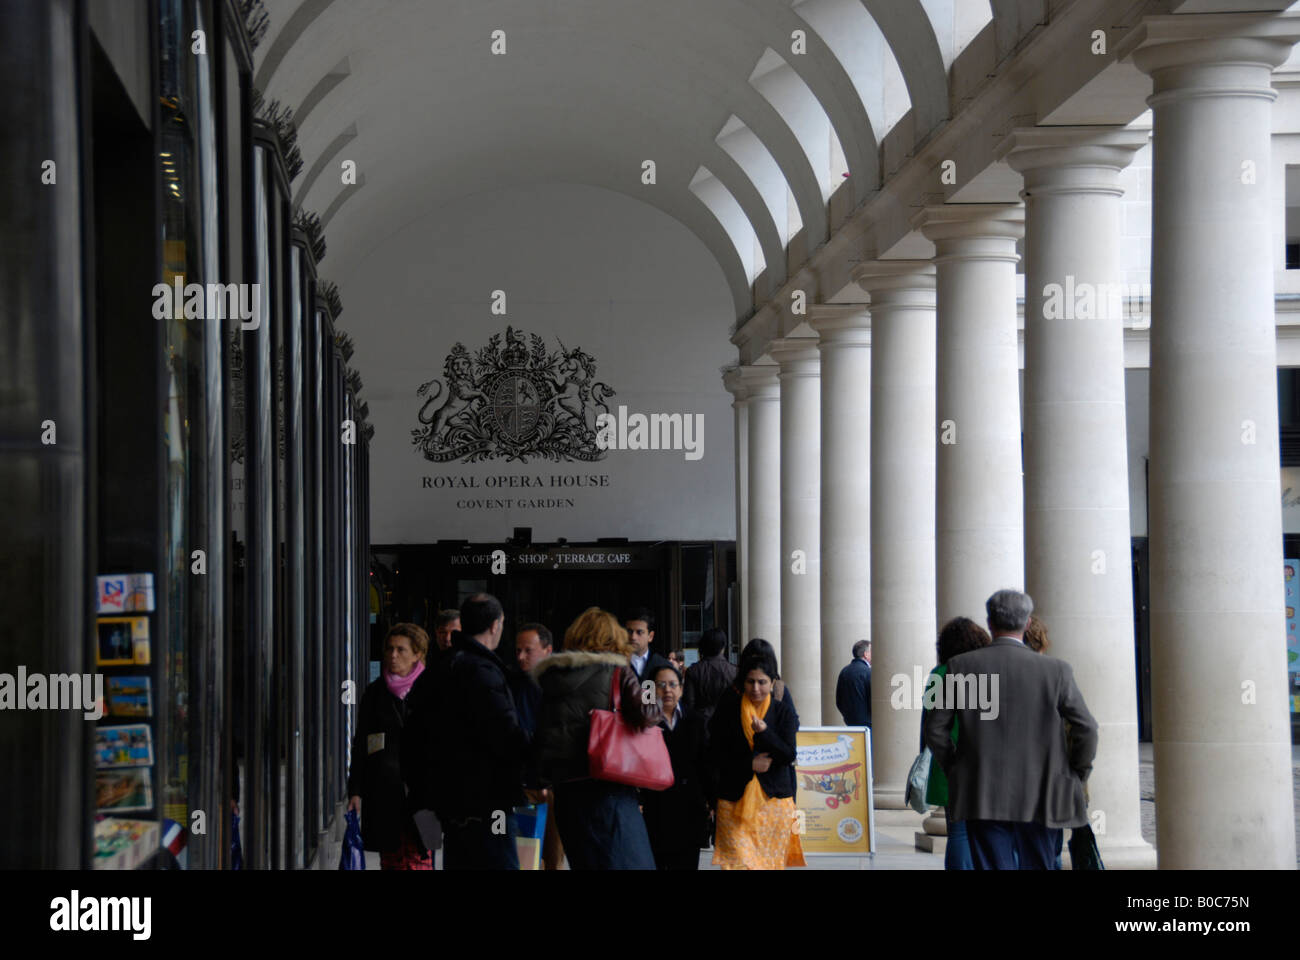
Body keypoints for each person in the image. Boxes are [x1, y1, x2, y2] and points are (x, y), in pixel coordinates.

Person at [923, 589, 1099, 870]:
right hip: (1042, 789)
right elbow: (1086, 728)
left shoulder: (961, 667)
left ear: (990, 622)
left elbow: (935, 729)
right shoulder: (1056, 670)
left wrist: (955, 766)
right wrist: (1078, 771)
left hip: (981, 788)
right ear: (1027, 622)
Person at [532, 607, 662, 869]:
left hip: (567, 794)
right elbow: (648, 714)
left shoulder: (552, 678)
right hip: (608, 789)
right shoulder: (617, 671)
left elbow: (543, 732)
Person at [427, 594, 527, 870]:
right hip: (487, 802)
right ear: (495, 625)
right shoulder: (484, 672)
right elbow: (506, 736)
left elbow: (416, 736)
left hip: (452, 803)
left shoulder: (440, 669)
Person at [346, 624, 436, 870]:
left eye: (401, 650)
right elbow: (361, 743)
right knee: (391, 858)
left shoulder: (433, 690)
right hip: (384, 793)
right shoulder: (375, 693)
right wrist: (355, 789)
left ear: (418, 654)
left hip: (426, 794)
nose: (393, 655)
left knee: (423, 855)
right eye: (389, 649)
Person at [708, 644, 805, 870]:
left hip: (774, 801)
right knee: (739, 865)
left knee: (770, 865)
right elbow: (715, 753)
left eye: (762, 682)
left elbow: (789, 754)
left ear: (772, 683)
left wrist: (765, 733)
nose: (756, 688)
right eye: (751, 682)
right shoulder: (729, 709)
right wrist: (748, 764)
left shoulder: (783, 712)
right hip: (734, 799)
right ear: (742, 681)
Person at [920, 617, 991, 870]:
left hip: (947, 761)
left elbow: (929, 720)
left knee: (958, 830)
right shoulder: (988, 672)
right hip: (985, 761)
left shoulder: (938, 674)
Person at [640, 664, 710, 870]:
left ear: (681, 689)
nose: (667, 690)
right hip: (656, 807)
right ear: (651, 690)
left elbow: (705, 763)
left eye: (672, 684)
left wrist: (710, 800)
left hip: (689, 808)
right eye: (660, 685)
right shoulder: (645, 723)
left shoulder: (696, 720)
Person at [507, 622, 564, 870]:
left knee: (553, 856)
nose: (520, 656)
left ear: (547, 650)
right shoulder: (510, 683)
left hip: (553, 787)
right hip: (521, 784)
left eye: (528, 650)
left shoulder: (561, 685)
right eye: (518, 650)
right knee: (525, 859)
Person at [682, 626, 736, 728]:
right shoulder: (734, 671)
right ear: (723, 647)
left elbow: (688, 705)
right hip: (728, 725)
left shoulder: (693, 671)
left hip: (701, 726)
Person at [625, 606, 673, 683]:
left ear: (650, 636)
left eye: (639, 632)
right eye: (629, 632)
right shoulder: (615, 665)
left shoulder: (663, 665)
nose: (633, 637)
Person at [835, 639, 872, 728]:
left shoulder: (844, 671)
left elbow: (839, 700)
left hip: (850, 723)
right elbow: (873, 699)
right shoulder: (868, 672)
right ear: (866, 654)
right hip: (868, 725)